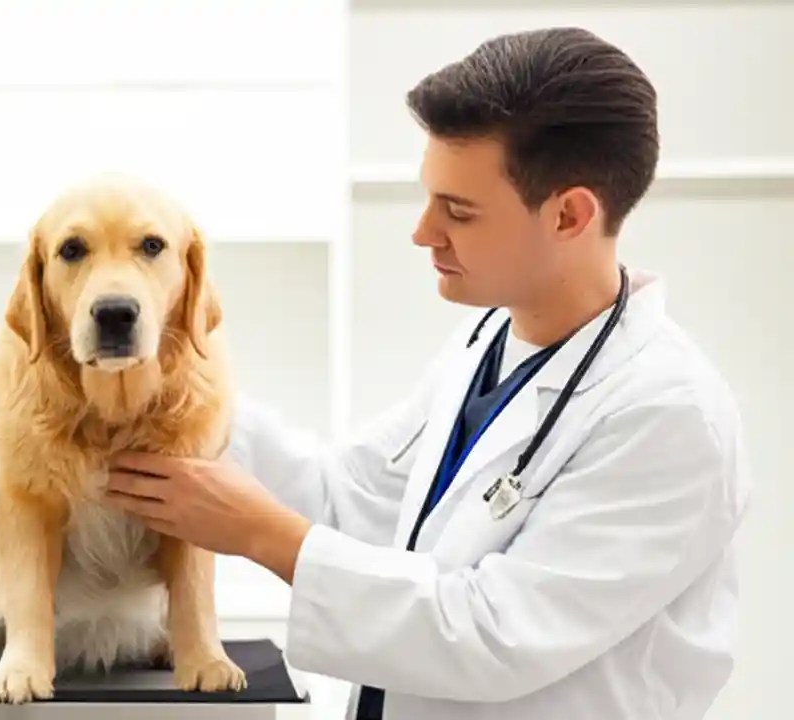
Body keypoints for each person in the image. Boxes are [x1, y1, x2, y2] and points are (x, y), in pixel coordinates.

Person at [105, 26, 751, 720]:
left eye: (458, 212)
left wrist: (264, 536)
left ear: (569, 215)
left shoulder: (670, 416)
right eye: (429, 198)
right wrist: (178, 395)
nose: (422, 231)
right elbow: (351, 501)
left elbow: (493, 634)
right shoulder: (487, 342)